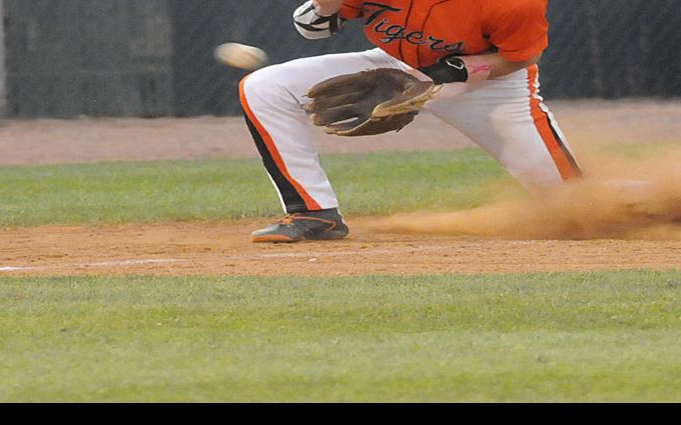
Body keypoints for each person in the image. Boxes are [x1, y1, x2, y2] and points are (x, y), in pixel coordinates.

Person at [243, 0, 581, 243]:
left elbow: (518, 58)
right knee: (265, 87)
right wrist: (326, 5)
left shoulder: (513, 4)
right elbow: (312, 29)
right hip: (392, 68)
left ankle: (634, 202)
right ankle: (314, 214)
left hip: (490, 86)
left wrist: (443, 75)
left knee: (576, 206)